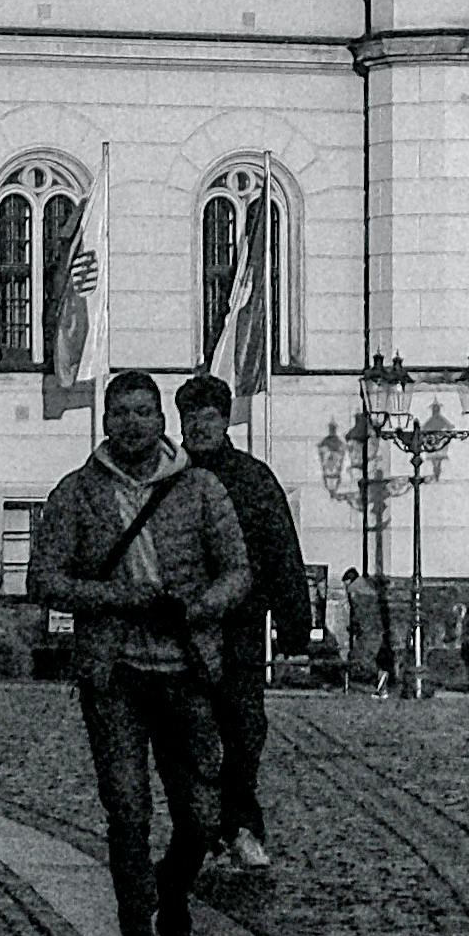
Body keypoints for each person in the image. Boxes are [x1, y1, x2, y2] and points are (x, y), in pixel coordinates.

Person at [29, 368, 250, 936]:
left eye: (143, 412)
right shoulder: (77, 492)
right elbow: (44, 580)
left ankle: (173, 887)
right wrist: (121, 599)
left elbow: (238, 571)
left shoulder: (201, 489)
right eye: (121, 412)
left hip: (187, 670)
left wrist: (198, 607)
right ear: (106, 421)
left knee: (201, 816)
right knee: (127, 809)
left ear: (161, 421)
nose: (132, 423)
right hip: (116, 675)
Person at [178, 373, 309, 875]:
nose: (199, 428)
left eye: (208, 419)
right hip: (183, 632)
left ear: (224, 420)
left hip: (240, 628)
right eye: (191, 419)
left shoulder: (254, 480)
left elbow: (281, 552)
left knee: (243, 730)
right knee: (190, 736)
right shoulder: (170, 478)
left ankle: (241, 825)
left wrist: (297, 624)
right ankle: (203, 830)